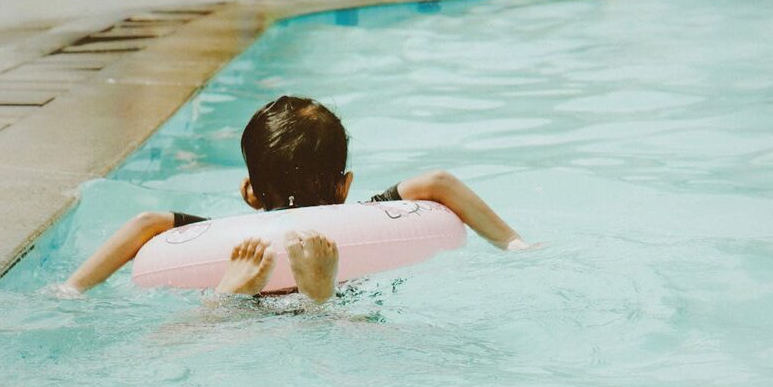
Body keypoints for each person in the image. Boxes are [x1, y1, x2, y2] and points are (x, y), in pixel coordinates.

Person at [63, 96, 531, 303]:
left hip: (247, 274)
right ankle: (320, 297)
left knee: (214, 327)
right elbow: (440, 181)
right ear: (344, 186)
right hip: (345, 279)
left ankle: (230, 296)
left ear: (249, 193)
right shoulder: (369, 215)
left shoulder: (230, 239)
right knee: (352, 315)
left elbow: (146, 222)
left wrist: (72, 289)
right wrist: (513, 244)